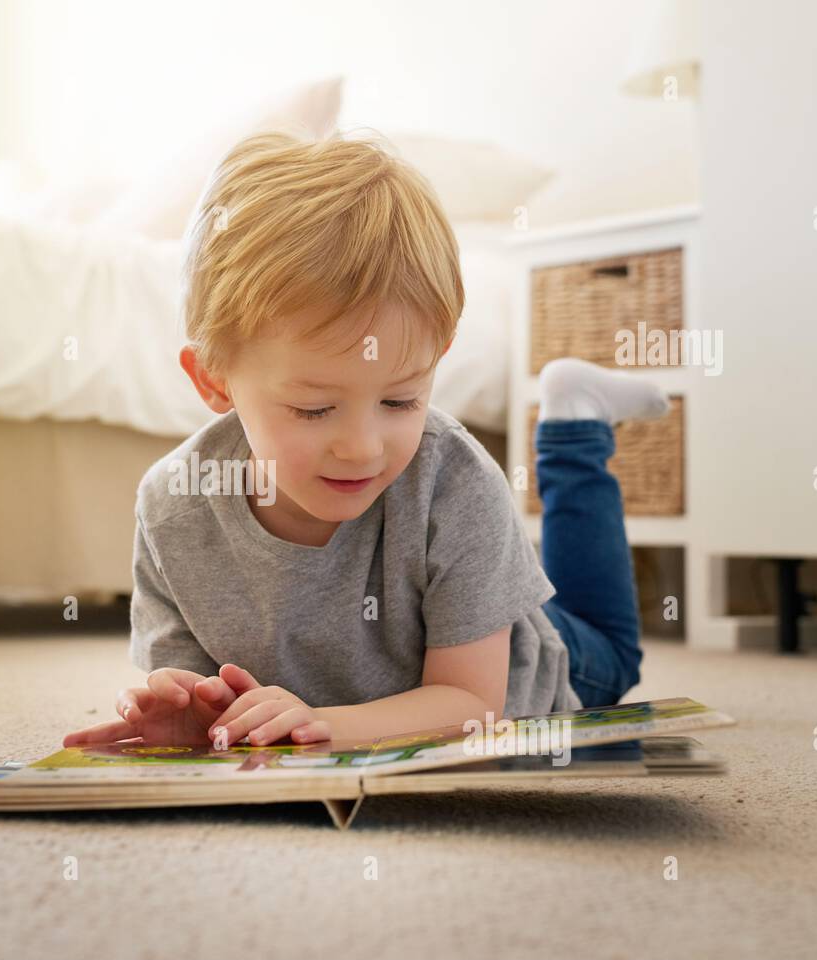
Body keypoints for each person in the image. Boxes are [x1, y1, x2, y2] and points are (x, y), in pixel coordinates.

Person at [62, 131, 668, 751]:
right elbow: (202, 694)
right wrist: (197, 716)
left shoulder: (454, 479)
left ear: (437, 359)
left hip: (540, 661)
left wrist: (327, 726)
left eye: (399, 401)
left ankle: (575, 426)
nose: (362, 448)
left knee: (614, 651)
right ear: (214, 381)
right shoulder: (174, 508)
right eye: (314, 409)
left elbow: (471, 704)